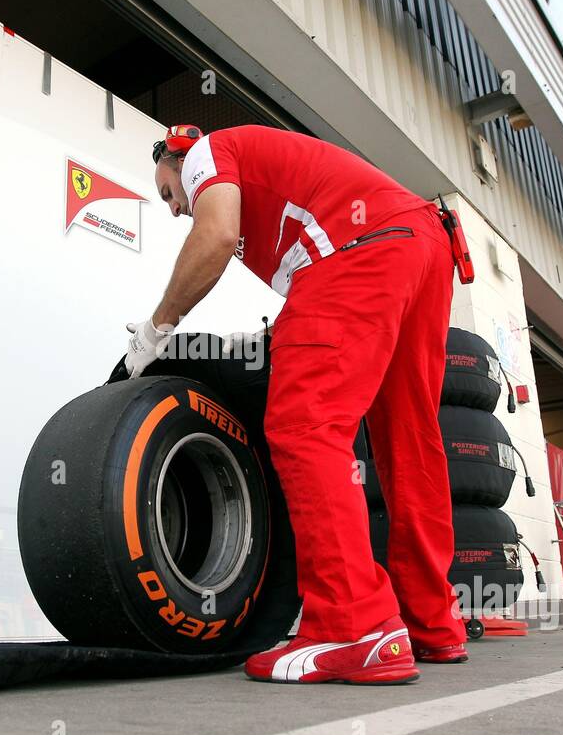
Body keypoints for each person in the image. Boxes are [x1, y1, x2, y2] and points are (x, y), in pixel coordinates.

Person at [124, 124, 468, 684]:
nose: (172, 207)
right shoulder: (270, 185)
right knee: (410, 441)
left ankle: (352, 626)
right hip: (423, 243)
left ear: (178, 155)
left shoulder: (206, 153)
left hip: (361, 244)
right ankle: (432, 624)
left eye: (167, 192)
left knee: (305, 423)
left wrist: (157, 328)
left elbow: (214, 237)